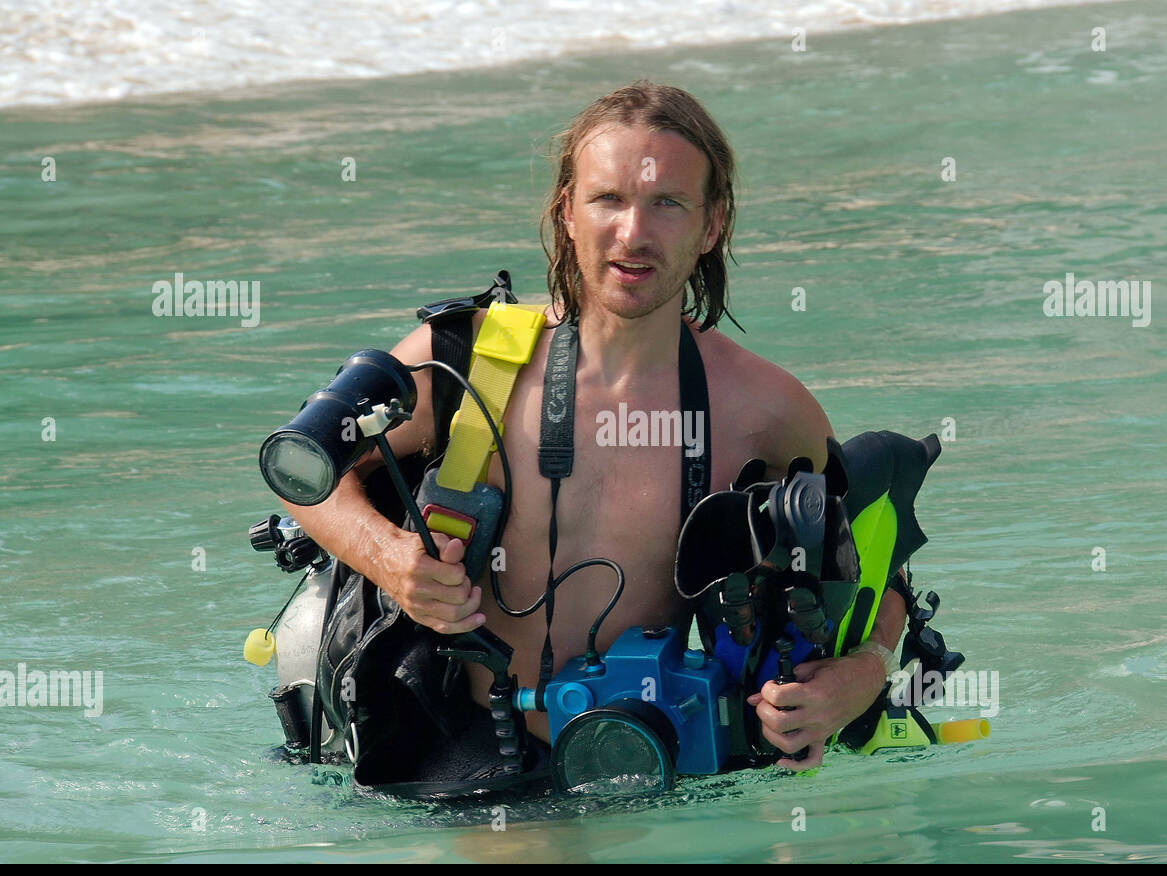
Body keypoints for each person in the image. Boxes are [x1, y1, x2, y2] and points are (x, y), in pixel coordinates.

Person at [281, 80, 906, 771]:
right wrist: (390, 560)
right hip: (455, 754)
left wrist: (862, 676)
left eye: (667, 203)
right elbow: (303, 471)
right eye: (608, 199)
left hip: (650, 762)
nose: (633, 234)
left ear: (713, 223)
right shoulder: (466, 363)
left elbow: (882, 561)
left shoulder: (763, 410)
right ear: (567, 213)